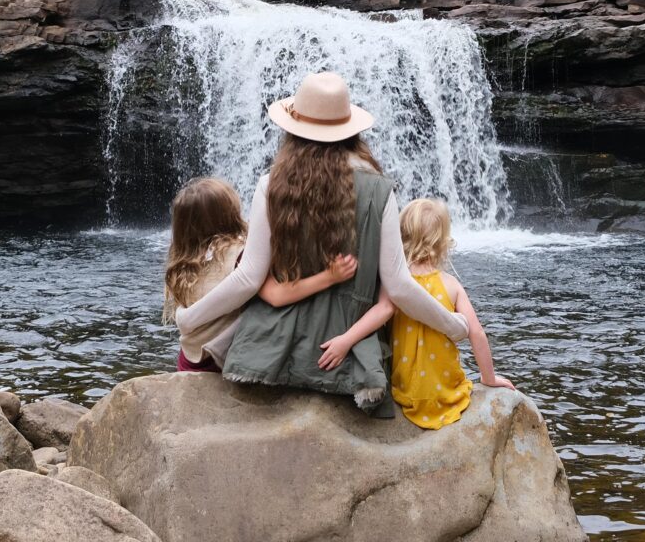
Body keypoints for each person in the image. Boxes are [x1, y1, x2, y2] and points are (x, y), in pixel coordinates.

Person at [174, 71, 468, 414]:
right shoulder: (379, 190)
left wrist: (190, 318)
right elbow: (399, 287)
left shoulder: (270, 184)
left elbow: (248, 278)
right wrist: (453, 325)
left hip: (273, 351)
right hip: (348, 352)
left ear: (293, 131)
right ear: (351, 132)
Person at [314, 197, 512, 428]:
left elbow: (383, 310)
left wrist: (345, 341)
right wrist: (489, 379)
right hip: (448, 392)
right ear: (442, 242)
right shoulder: (451, 284)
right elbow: (476, 333)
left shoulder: (397, 282)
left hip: (406, 391)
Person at [162, 175, 357, 373]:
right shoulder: (240, 256)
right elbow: (276, 296)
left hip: (189, 360)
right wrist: (329, 277)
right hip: (216, 359)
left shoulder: (182, 264)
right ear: (230, 213)